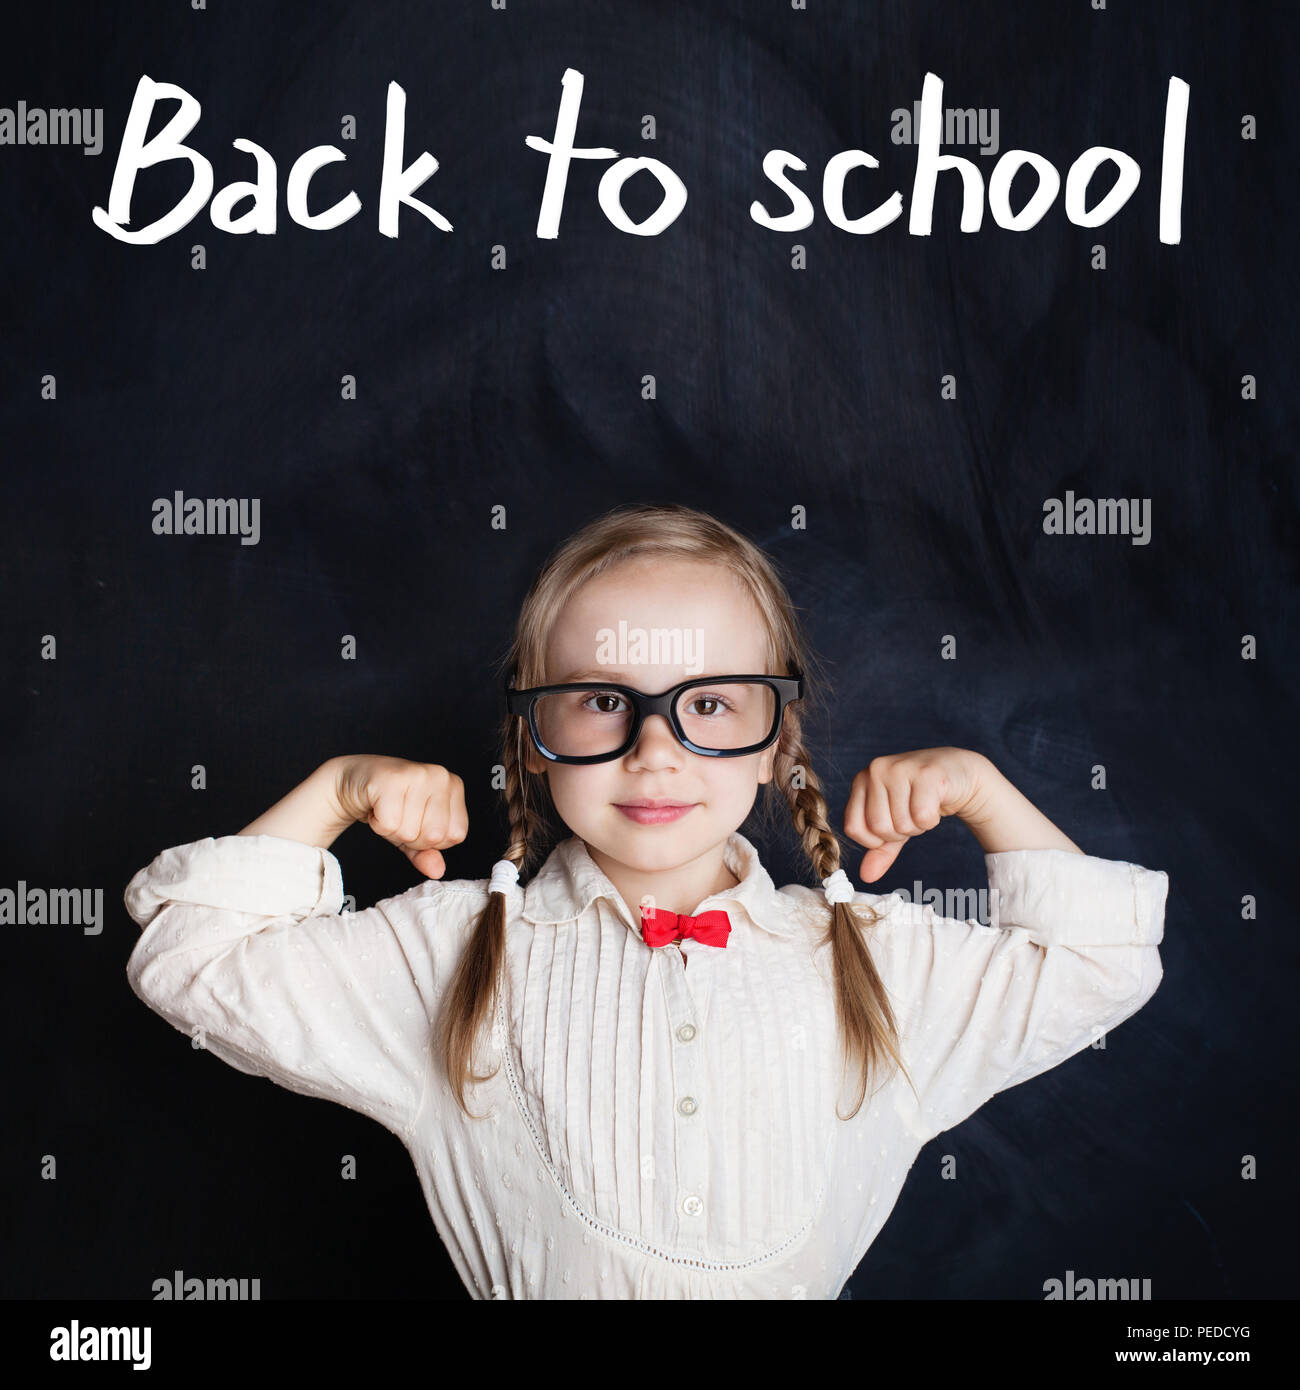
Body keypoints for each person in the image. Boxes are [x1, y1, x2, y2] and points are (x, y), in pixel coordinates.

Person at [123, 502, 1168, 1299]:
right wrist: (339, 789)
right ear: (534, 737)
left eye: (709, 702)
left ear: (778, 741)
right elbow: (191, 955)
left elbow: (1101, 964)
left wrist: (987, 794)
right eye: (603, 702)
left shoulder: (875, 965)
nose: (655, 748)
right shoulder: (451, 956)